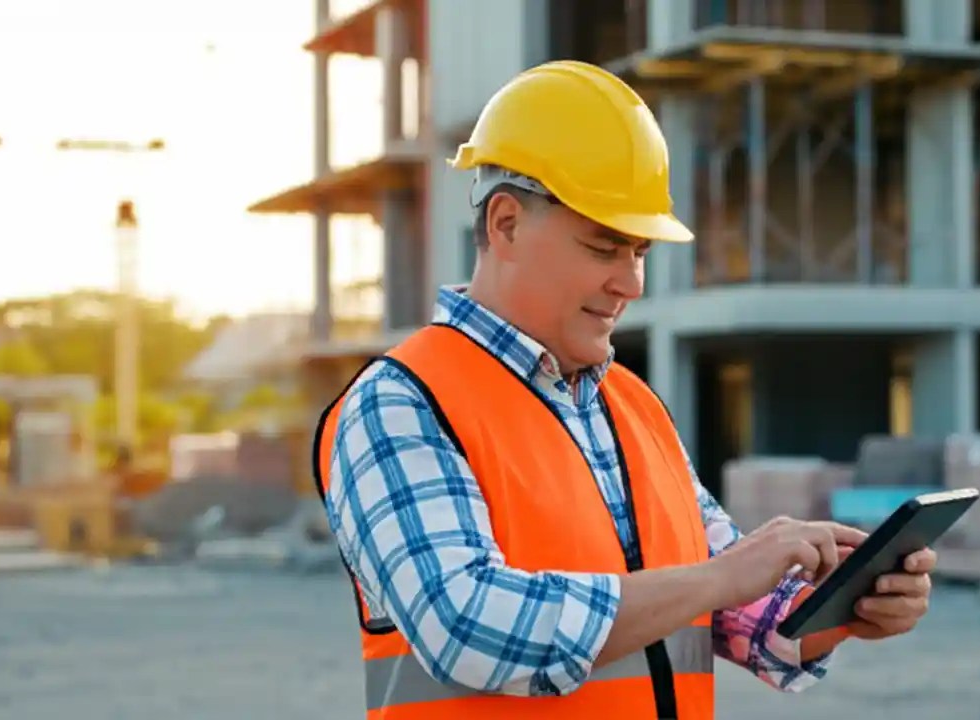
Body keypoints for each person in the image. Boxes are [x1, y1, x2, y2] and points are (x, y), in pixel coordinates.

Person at [314, 60, 936, 719]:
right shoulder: (402, 403)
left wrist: (842, 605)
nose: (632, 283)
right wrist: (718, 577)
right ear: (506, 224)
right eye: (603, 247)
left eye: (639, 252)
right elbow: (467, 626)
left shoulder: (635, 409)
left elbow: (737, 617)